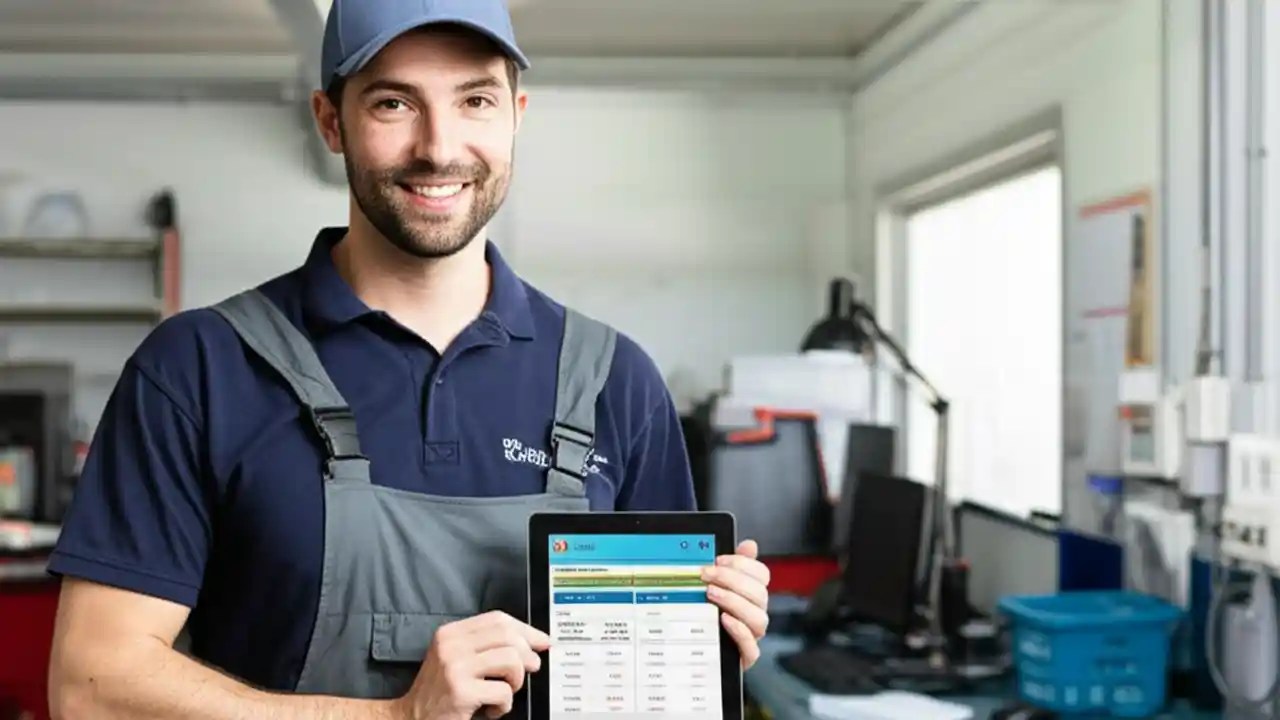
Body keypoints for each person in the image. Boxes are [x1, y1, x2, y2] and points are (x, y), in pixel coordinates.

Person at [46, 1, 771, 719]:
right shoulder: (199, 369)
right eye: (394, 103)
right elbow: (91, 688)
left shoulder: (617, 383)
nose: (439, 147)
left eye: (475, 99)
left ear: (517, 112)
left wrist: (693, 660)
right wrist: (392, 719)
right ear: (331, 121)